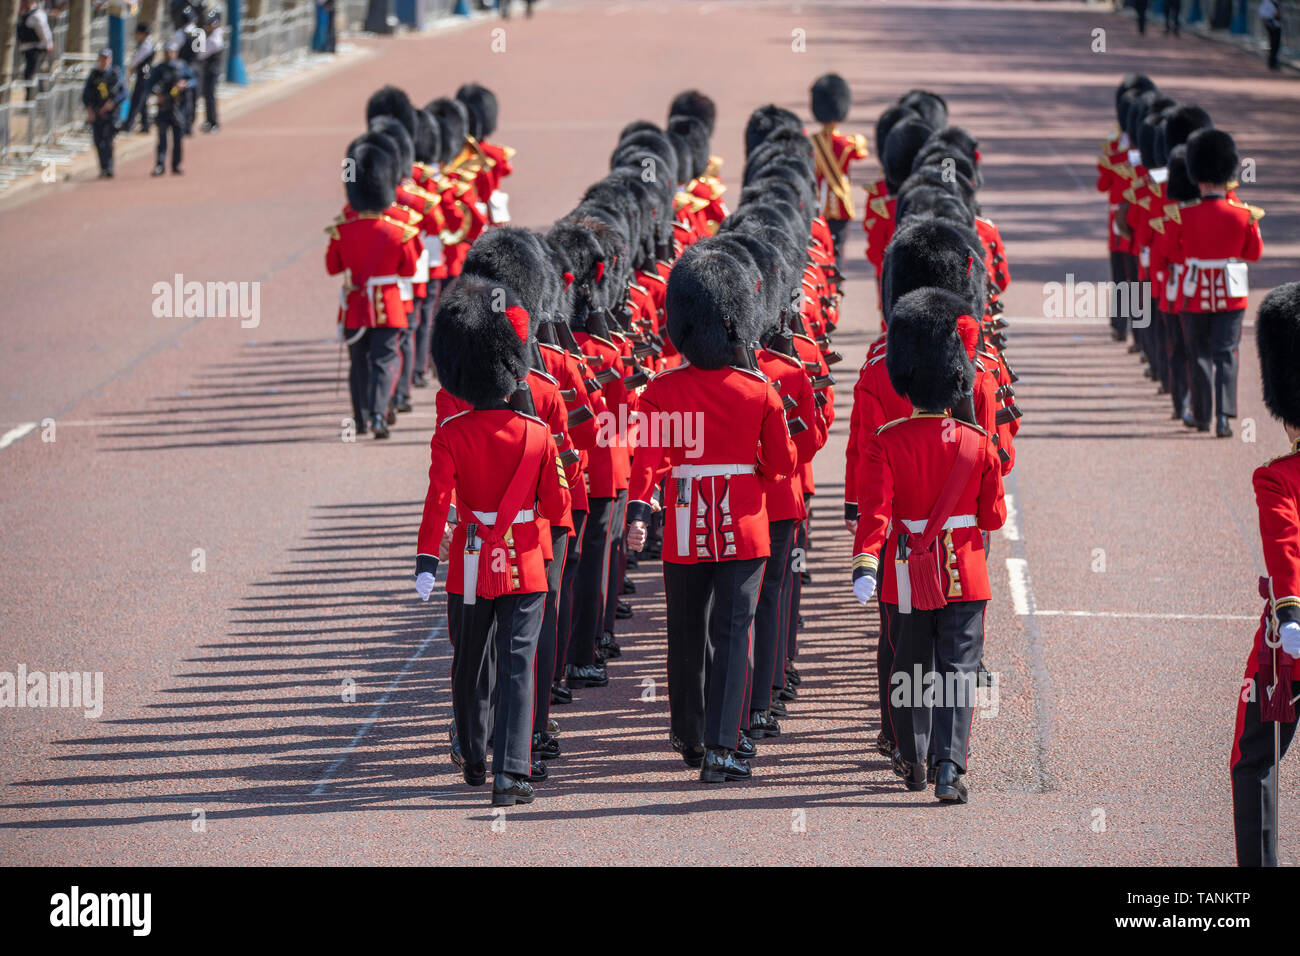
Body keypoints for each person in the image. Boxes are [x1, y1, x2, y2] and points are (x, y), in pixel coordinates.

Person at [625, 242, 797, 784]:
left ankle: (690, 733)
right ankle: (724, 745)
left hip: (681, 525)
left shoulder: (661, 391)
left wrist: (637, 513)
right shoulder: (759, 393)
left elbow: (646, 460)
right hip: (744, 527)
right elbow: (781, 467)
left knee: (685, 631)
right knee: (732, 632)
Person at [415, 278, 570, 807]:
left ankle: (473, 751)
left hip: (467, 562)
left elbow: (438, 500)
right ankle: (511, 773)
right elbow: (558, 507)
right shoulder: (536, 432)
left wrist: (424, 561)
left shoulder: (451, 432)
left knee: (467, 661)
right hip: (524, 562)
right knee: (517, 663)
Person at [851, 287, 1006, 804]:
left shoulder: (887, 440)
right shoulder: (978, 443)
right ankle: (948, 767)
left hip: (903, 570)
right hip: (964, 568)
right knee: (959, 670)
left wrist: (865, 563)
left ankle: (912, 759)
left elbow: (875, 510)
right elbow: (993, 516)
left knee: (909, 665)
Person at [1230, 282, 1300, 866]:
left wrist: (1292, 610)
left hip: (1290, 645)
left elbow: (1284, 548)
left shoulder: (1278, 477)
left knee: (1252, 760)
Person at [324, 136, 419, 437]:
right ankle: (379, 415)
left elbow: (332, 267)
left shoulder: (342, 230)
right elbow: (409, 269)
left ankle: (361, 418)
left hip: (354, 307)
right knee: (383, 360)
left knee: (358, 364)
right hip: (389, 306)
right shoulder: (398, 232)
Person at [1174, 128, 1264, 437]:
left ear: (1197, 176)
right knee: (1226, 353)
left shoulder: (1184, 214)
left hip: (1194, 292)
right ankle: (1224, 417)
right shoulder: (1242, 214)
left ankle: (1202, 416)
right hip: (1230, 293)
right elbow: (1254, 253)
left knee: (1197, 353)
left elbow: (1174, 251)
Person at [809, 73, 868, 264]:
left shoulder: (811, 143)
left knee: (816, 248)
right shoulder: (848, 143)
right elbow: (861, 154)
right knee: (838, 248)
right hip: (841, 204)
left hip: (817, 202)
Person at [150, 41, 194, 176]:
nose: (169, 54)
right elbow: (149, 85)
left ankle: (176, 165)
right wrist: (157, 94)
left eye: (171, 51)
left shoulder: (182, 66)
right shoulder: (159, 68)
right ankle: (160, 165)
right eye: (167, 52)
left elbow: (194, 80)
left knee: (177, 139)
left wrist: (184, 84)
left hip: (178, 107)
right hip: (164, 108)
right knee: (162, 138)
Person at [82, 48, 126, 179]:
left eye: (106, 58)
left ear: (110, 60)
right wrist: (89, 111)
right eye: (102, 58)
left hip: (111, 114)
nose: (104, 61)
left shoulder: (115, 74)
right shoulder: (94, 75)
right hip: (97, 113)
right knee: (98, 141)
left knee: (108, 141)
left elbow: (124, 93)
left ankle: (109, 167)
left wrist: (112, 103)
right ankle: (102, 167)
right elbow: (85, 96)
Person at [122, 23, 156, 134]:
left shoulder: (146, 45)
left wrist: (131, 67)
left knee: (137, 99)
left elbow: (136, 60)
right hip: (145, 75)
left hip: (144, 76)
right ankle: (145, 124)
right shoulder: (147, 43)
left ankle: (129, 124)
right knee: (142, 101)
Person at [16, 0, 54, 98]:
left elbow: (44, 32)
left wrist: (48, 45)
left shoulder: (37, 15)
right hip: (29, 50)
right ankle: (35, 98)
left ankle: (35, 99)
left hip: (37, 50)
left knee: (32, 74)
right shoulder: (25, 13)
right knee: (32, 73)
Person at [197, 9, 224, 133]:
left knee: (210, 96)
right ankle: (209, 121)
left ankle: (213, 122)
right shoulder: (213, 36)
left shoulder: (214, 39)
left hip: (212, 71)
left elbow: (201, 54)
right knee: (208, 96)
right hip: (209, 70)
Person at [1260, 0, 1283, 70]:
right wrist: (1271, 18)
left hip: (1277, 25)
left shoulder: (1277, 2)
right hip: (1271, 24)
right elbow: (1262, 13)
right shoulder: (1267, 2)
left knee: (1276, 44)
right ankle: (1272, 61)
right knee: (1273, 43)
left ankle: (1274, 60)